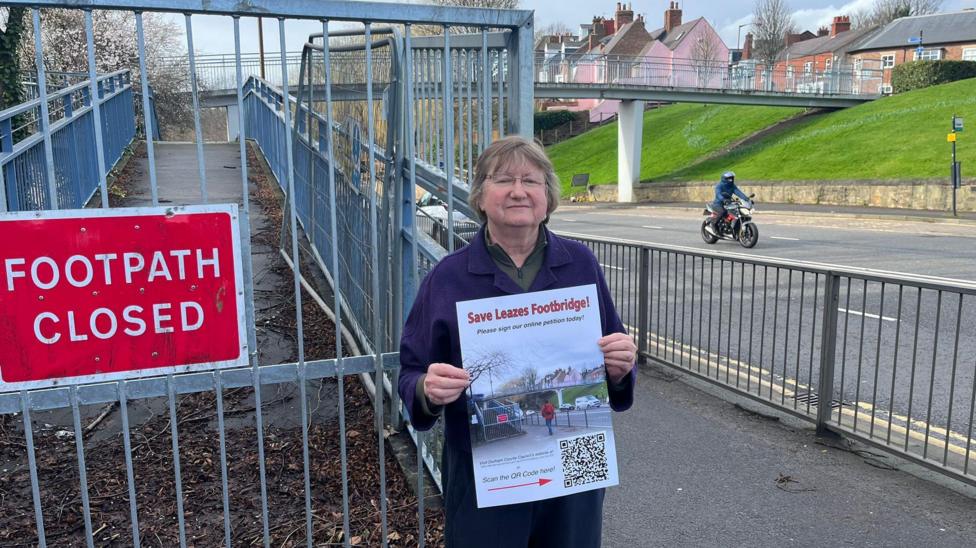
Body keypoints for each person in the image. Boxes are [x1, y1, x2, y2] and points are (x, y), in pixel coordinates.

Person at [398, 136, 637, 548]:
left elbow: (613, 365)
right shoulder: (448, 277)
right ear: (480, 196)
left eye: (532, 180)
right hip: (484, 472)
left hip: (574, 468)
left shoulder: (581, 264)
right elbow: (411, 370)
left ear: (547, 196)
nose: (518, 190)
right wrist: (426, 389)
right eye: (503, 179)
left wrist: (620, 365)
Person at [706, 170, 751, 236]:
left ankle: (732, 228)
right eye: (729, 178)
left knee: (735, 213)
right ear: (724, 179)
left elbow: (738, 192)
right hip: (718, 204)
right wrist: (723, 199)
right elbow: (718, 194)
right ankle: (713, 224)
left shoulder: (732, 186)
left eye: (732, 178)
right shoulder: (719, 186)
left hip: (728, 203)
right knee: (722, 212)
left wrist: (746, 198)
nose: (731, 180)